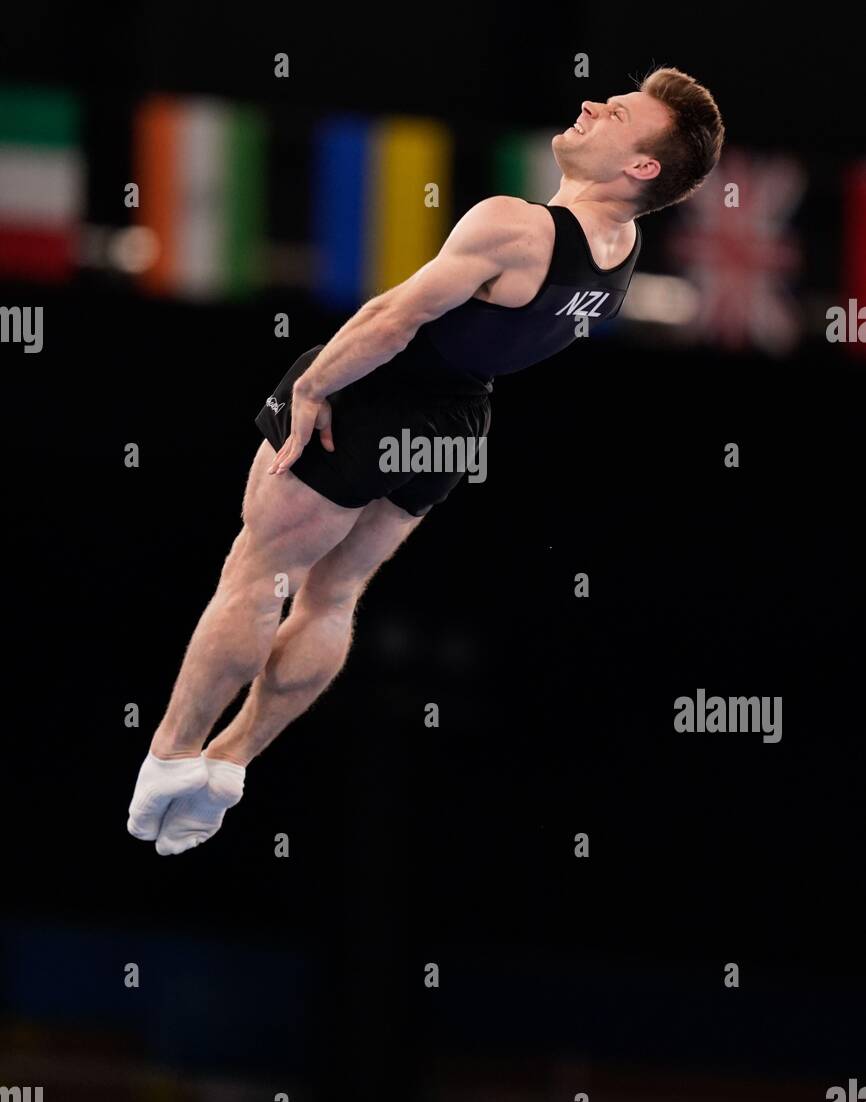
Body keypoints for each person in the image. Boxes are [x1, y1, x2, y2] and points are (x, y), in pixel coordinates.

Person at [127, 66, 724, 855]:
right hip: (457, 426)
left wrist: (314, 387)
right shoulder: (620, 251)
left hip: (377, 399)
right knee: (333, 599)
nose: (587, 104)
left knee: (257, 573)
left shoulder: (515, 225)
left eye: (614, 113)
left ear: (640, 167)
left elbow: (394, 315)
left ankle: (171, 755)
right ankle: (231, 765)